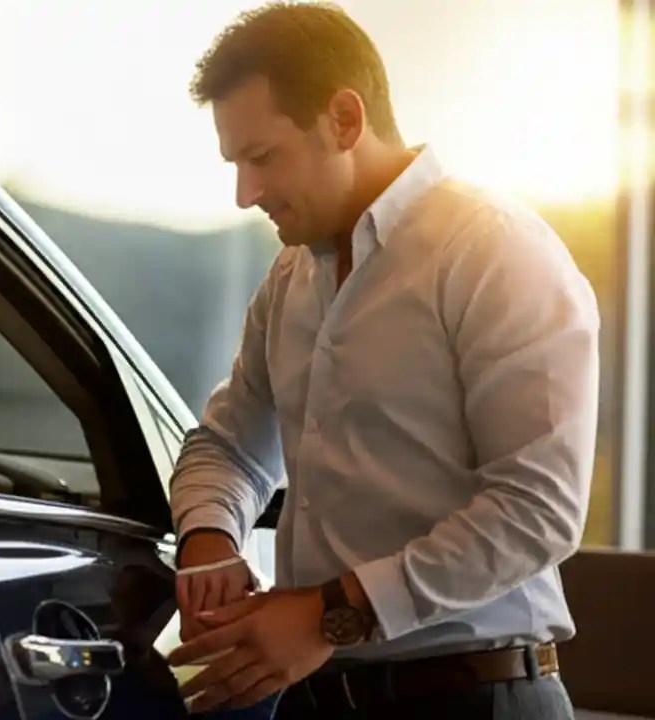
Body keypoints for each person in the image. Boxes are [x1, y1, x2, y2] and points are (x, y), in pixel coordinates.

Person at [165, 3, 598, 718]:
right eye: (235, 162)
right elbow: (229, 445)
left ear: (343, 119)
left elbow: (537, 511)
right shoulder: (290, 277)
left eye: (262, 157)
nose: (245, 193)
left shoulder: (494, 252)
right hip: (317, 696)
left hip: (475, 698)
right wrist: (209, 538)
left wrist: (326, 616)